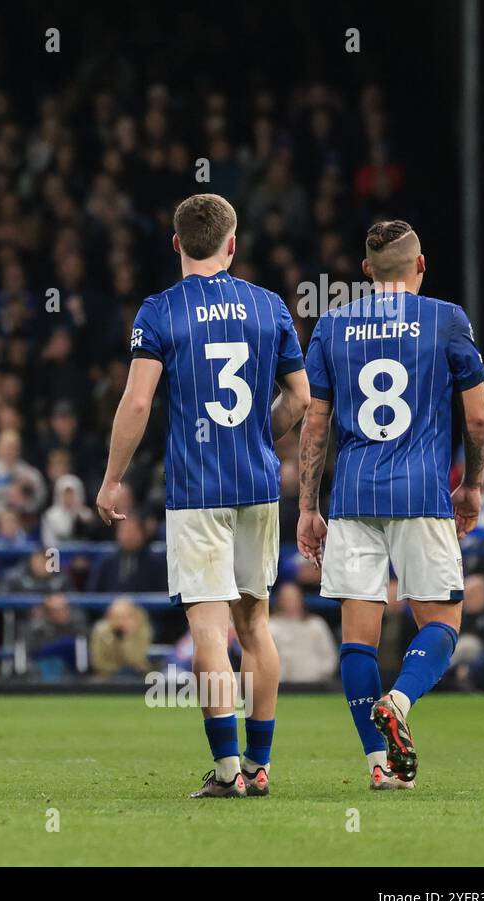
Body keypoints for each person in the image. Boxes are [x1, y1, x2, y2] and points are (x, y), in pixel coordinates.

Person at [96, 193, 309, 798]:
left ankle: (226, 772)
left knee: (209, 634)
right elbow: (300, 397)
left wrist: (113, 479)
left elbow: (138, 403)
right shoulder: (269, 307)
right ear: (232, 244)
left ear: (175, 244)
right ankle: (260, 766)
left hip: (196, 490)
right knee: (256, 626)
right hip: (258, 485)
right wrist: (258, 435)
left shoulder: (160, 312)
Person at [298, 219, 484, 790]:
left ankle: (379, 767)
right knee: (443, 624)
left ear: (365, 272)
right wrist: (473, 485)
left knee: (358, 637)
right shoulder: (447, 319)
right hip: (423, 493)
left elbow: (315, 424)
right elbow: (479, 420)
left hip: (354, 495)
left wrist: (309, 505)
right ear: (421, 267)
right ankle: (400, 701)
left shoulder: (332, 324)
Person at [267, 582, 337, 683]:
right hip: (282, 686)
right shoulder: (270, 626)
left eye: (294, 598)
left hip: (316, 684)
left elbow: (329, 656)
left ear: (301, 599)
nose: (290, 602)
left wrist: (321, 675)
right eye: (286, 598)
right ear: (279, 600)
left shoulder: (316, 625)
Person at [90, 598, 153, 676]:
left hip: (135, 677)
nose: (121, 621)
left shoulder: (140, 631)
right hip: (107, 678)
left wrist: (128, 637)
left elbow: (136, 660)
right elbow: (98, 663)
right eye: (117, 617)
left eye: (126, 616)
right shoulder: (101, 632)